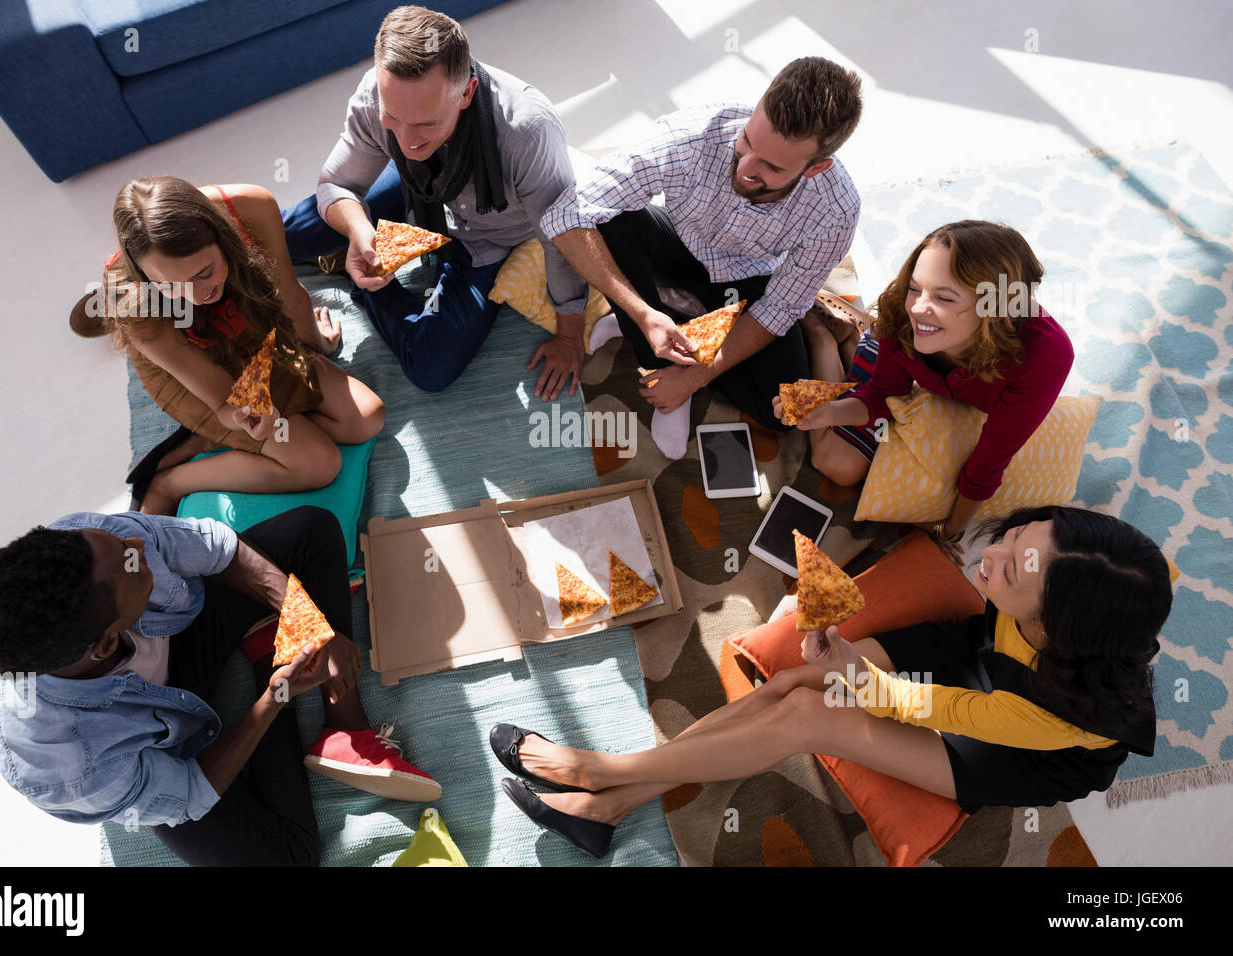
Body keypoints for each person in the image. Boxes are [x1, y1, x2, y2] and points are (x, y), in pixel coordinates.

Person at [490, 506, 1171, 858]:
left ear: (1058, 623)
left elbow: (925, 705)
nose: (991, 554)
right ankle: (604, 811)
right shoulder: (1070, 576)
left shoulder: (1057, 715)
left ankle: (598, 772)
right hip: (981, 655)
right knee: (790, 684)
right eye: (1016, 536)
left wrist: (850, 670)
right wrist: (840, 663)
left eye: (1012, 569)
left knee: (810, 714)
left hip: (1007, 752)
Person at [0, 506, 438, 867]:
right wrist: (274, 697)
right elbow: (187, 792)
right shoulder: (60, 764)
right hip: (162, 750)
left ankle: (343, 723)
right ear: (105, 644)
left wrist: (312, 625)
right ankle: (269, 660)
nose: (135, 542)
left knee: (310, 530)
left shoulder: (94, 542)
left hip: (183, 641)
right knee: (289, 858)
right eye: (132, 563)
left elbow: (216, 548)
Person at [540, 56, 863, 458]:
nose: (746, 167)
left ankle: (680, 341)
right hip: (677, 245)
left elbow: (780, 308)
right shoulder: (692, 135)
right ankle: (655, 347)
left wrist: (692, 378)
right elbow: (565, 215)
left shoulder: (836, 211)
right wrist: (642, 313)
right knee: (610, 222)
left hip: (751, 281)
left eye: (770, 166)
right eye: (748, 141)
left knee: (781, 412)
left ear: (816, 168)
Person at [281, 4, 589, 397]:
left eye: (427, 123)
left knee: (431, 367)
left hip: (485, 238)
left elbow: (562, 238)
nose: (407, 142)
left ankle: (362, 279)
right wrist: (359, 229)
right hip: (413, 192)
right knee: (283, 235)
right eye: (392, 118)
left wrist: (570, 337)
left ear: (467, 93)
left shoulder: (527, 131)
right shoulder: (377, 93)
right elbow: (337, 184)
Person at [73, 177, 386, 516]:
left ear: (223, 236)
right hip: (193, 367)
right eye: (169, 285)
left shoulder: (251, 208)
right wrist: (242, 417)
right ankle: (172, 480)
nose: (196, 296)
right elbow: (223, 399)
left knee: (366, 419)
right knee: (318, 463)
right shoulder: (139, 309)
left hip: (251, 332)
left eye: (203, 272)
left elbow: (289, 294)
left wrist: (317, 343)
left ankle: (212, 437)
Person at [778, 220, 1073, 553]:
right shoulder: (901, 311)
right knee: (838, 464)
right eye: (915, 288)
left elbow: (988, 463)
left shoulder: (1045, 358)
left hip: (943, 391)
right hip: (900, 363)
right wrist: (829, 412)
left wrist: (948, 531)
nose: (917, 307)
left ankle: (852, 336)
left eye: (944, 297)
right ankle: (826, 336)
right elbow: (883, 395)